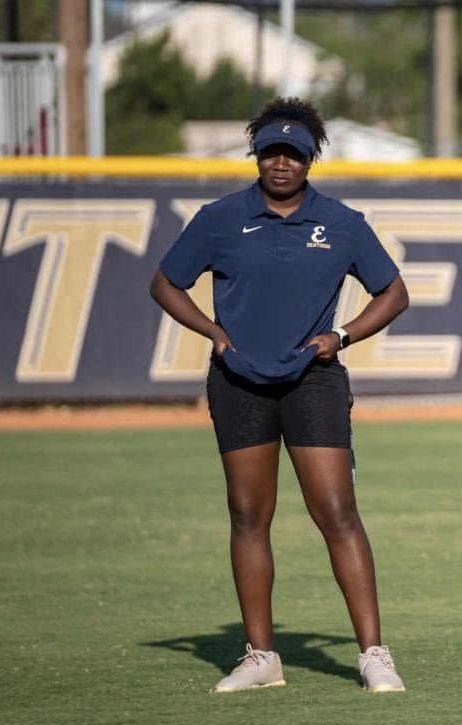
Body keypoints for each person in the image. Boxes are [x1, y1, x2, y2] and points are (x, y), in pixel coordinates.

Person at [149, 97, 410, 693]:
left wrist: (341, 336)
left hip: (313, 381)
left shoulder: (342, 222)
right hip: (238, 380)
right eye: (271, 151)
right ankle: (262, 657)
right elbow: (165, 281)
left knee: (337, 512)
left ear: (311, 158)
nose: (281, 162)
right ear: (257, 155)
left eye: (293, 152)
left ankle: (373, 654)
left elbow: (394, 293)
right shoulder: (220, 218)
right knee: (248, 516)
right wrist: (213, 333)